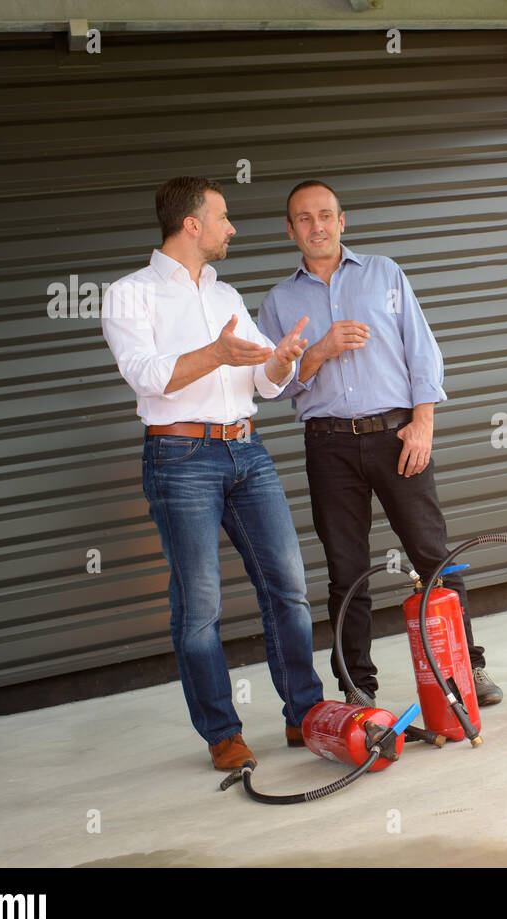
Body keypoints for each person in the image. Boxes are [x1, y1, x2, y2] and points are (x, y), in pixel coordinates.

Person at [100, 175, 325, 771]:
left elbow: (262, 384)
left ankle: (306, 714)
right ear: (192, 225)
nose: (233, 228)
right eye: (223, 217)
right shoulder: (130, 294)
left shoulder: (226, 298)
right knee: (199, 605)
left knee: (289, 589)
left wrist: (281, 360)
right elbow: (149, 374)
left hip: (246, 452)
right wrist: (218, 355)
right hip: (179, 461)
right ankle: (222, 733)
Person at [256, 180, 502, 709]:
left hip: (397, 436)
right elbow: (273, 385)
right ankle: (357, 686)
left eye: (325, 215)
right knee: (346, 570)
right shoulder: (278, 302)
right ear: (290, 228)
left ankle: (465, 668)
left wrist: (424, 423)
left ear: (342, 221)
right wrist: (317, 352)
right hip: (328, 447)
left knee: (433, 554)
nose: (316, 226)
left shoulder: (385, 273)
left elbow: (423, 350)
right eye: (304, 218)